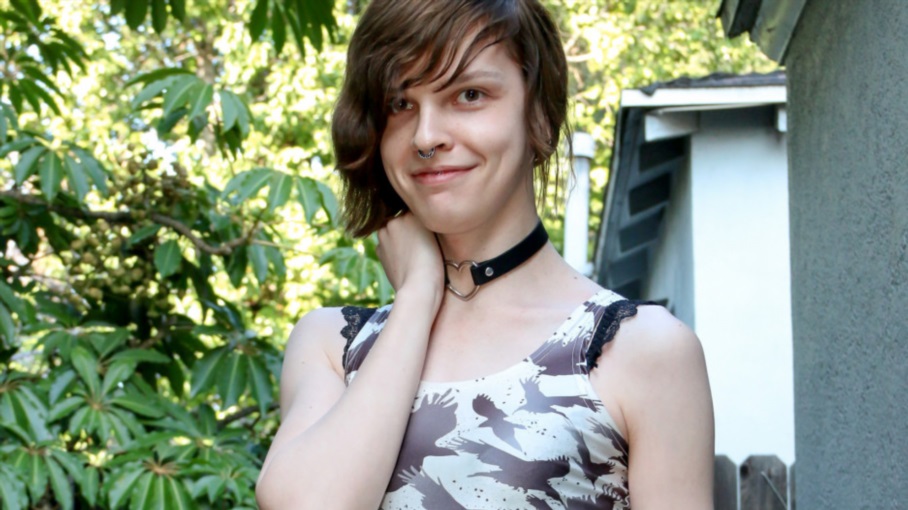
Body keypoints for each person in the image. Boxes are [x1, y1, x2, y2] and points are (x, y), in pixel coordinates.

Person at [256, 0, 714, 508]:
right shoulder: (333, 345)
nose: (426, 137)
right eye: (399, 104)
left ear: (539, 116)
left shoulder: (639, 350)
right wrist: (418, 296)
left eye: (468, 95)